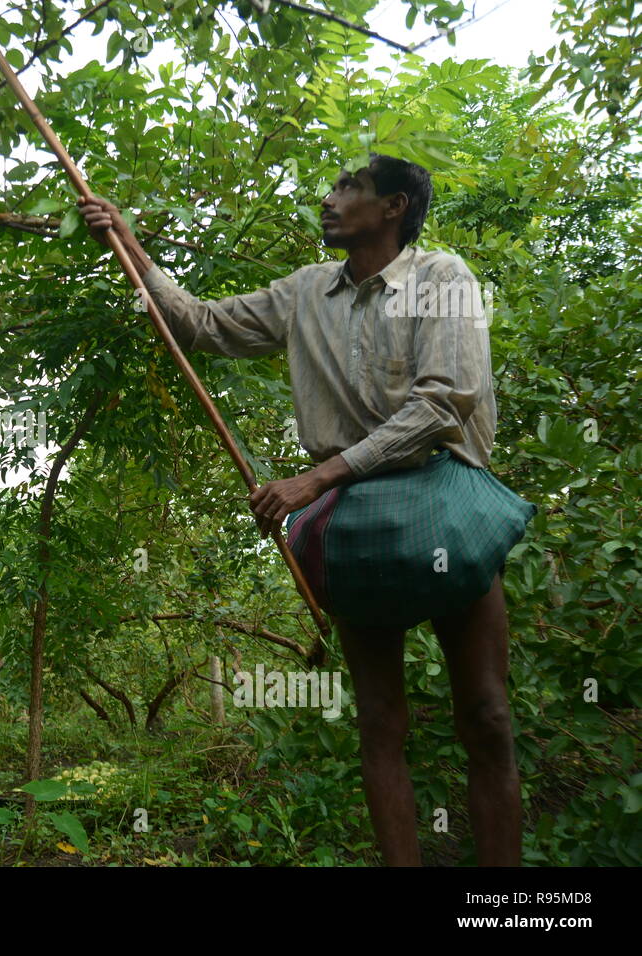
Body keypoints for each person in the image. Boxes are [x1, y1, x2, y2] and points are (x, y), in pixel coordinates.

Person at [79, 154, 521, 866]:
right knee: (380, 719)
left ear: (394, 207)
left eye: (349, 188)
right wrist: (129, 247)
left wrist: (312, 481)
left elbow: (444, 402)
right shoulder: (305, 291)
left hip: (446, 495)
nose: (329, 198)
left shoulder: (442, 279)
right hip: (359, 517)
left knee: (488, 715)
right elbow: (201, 325)